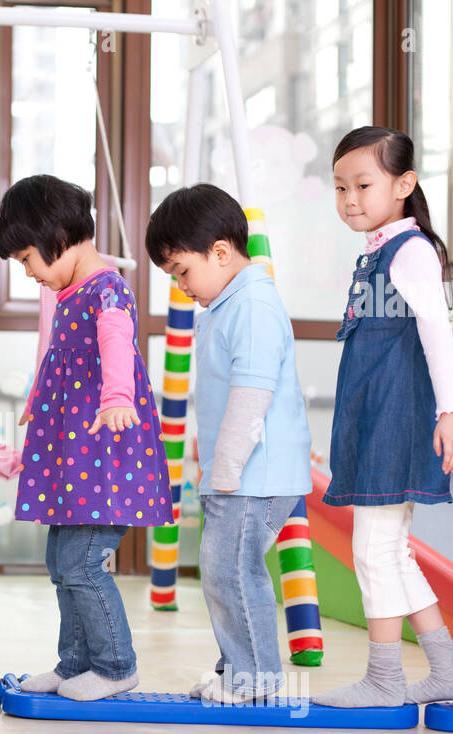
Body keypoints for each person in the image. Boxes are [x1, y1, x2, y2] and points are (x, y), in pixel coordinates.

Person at [310, 126, 453, 708]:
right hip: (375, 414)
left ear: (404, 185)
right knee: (392, 550)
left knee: (374, 550)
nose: (350, 199)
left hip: (396, 418)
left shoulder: (411, 251)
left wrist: (451, 413)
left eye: (363, 185)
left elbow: (437, 336)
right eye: (340, 187)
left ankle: (384, 680)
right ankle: (447, 673)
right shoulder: (379, 251)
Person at [0, 174, 170, 701]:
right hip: (76, 458)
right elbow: (61, 360)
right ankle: (73, 665)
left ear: (56, 236)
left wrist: (117, 397)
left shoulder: (107, 288)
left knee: (81, 562)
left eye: (27, 258)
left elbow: (116, 344)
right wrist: (37, 401)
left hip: (103, 460)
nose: (29, 272)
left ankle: (116, 667)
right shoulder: (71, 293)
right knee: (62, 563)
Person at [146, 184, 311, 703]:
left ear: (220, 252)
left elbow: (251, 395)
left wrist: (227, 467)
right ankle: (236, 666)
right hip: (238, 472)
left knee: (232, 572)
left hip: (253, 475)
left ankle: (254, 676)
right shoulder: (226, 304)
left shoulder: (253, 305)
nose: (181, 286)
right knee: (223, 571)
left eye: (182, 271)